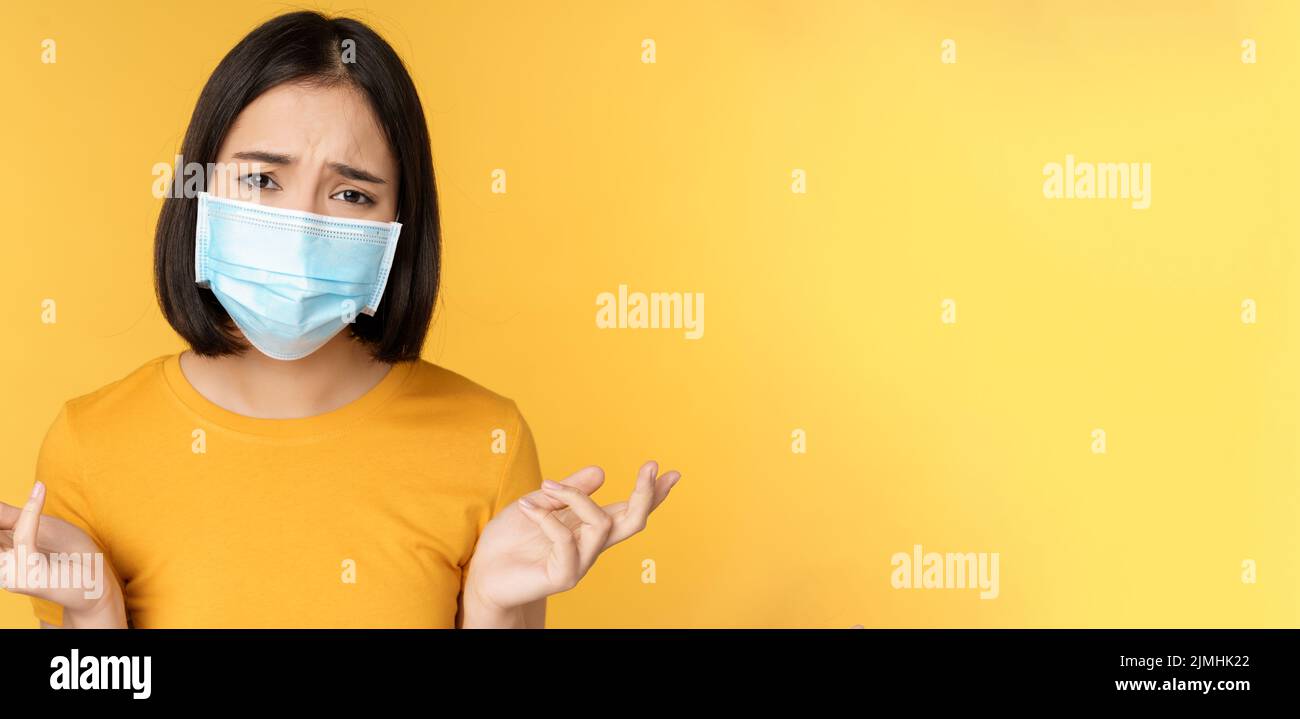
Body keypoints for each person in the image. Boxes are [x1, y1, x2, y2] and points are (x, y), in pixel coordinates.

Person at [0, 10, 681, 629]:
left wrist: (493, 610)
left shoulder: (489, 439)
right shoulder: (89, 443)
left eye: (351, 192)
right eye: (263, 180)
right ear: (200, 186)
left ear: (398, 227)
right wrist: (95, 611)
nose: (300, 226)